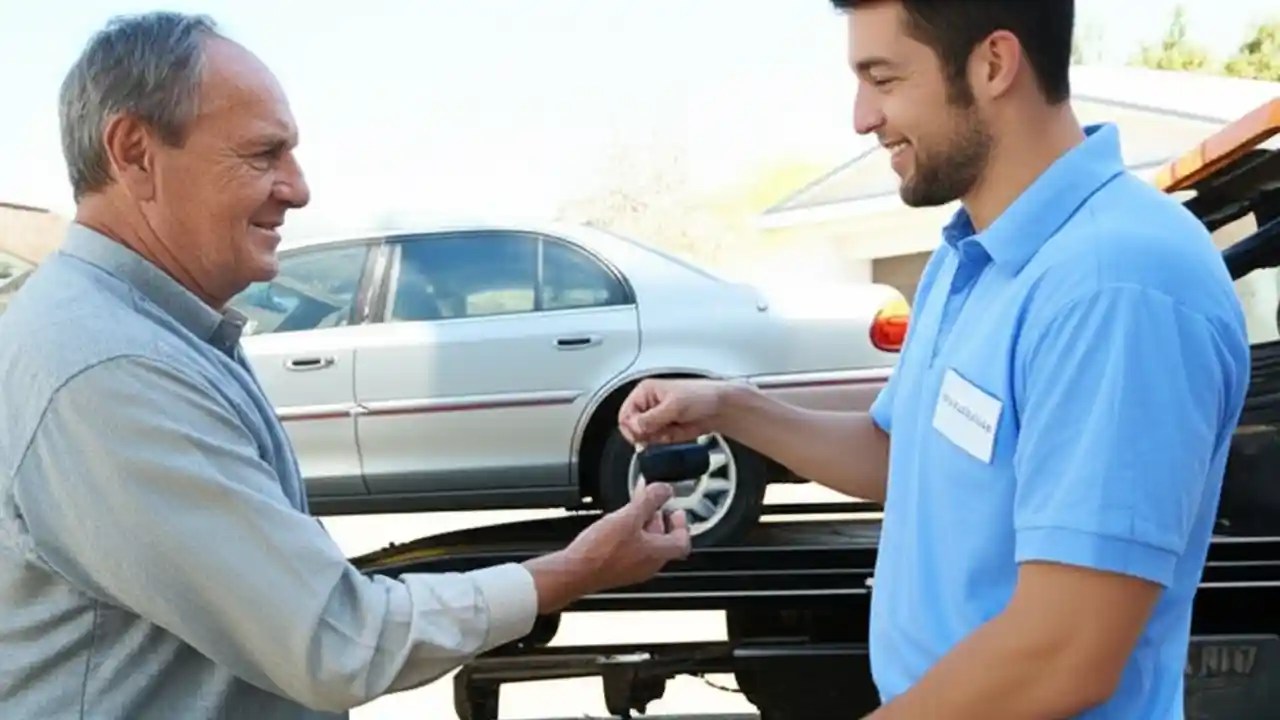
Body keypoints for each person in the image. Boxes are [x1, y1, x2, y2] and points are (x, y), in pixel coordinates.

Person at [0, 11, 690, 719]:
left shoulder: (134, 329)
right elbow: (336, 639)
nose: (297, 189)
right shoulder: (110, 366)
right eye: (262, 155)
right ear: (136, 152)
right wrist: (573, 571)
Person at [619, 1, 1250, 718]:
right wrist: (731, 406)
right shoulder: (972, 255)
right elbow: (900, 454)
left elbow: (1066, 652)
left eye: (883, 79)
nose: (862, 117)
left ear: (993, 64)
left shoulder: (1118, 283)